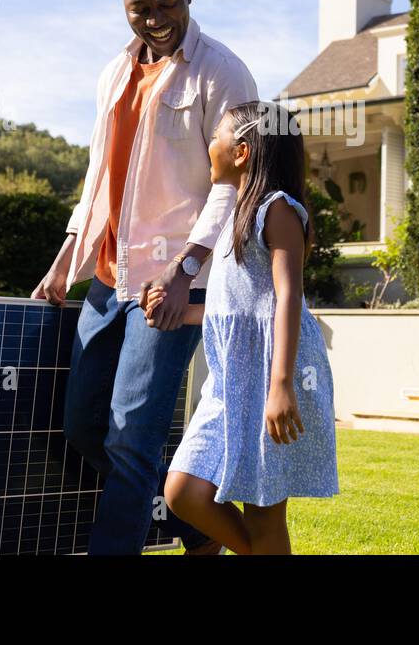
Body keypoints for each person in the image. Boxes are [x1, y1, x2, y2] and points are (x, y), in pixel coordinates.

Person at [31, 0, 259, 555]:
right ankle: (194, 523)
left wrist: (187, 271)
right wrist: (65, 262)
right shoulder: (113, 75)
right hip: (109, 278)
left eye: (167, 0)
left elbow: (234, 184)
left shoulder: (224, 73)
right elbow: (97, 177)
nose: (155, 16)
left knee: (132, 437)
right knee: (85, 428)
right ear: (125, 7)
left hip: (172, 285)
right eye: (140, 8)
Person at [146, 99, 339, 555]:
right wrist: (180, 313)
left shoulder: (277, 210)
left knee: (263, 511)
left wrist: (281, 385)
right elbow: (238, 309)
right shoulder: (234, 214)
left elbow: (288, 297)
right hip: (231, 382)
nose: (208, 144)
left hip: (275, 375)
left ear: (242, 152)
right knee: (183, 491)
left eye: (215, 136)